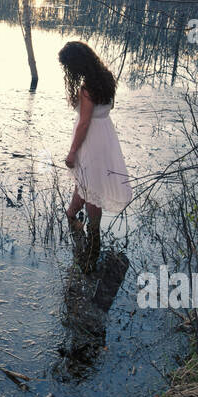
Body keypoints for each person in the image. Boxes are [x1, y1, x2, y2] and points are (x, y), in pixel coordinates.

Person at [59, 41, 132, 263]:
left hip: (90, 139)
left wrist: (72, 152)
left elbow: (84, 123)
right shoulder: (106, 77)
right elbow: (109, 107)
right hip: (106, 135)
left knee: (91, 187)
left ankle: (94, 236)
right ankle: (72, 215)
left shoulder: (87, 88)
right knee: (86, 182)